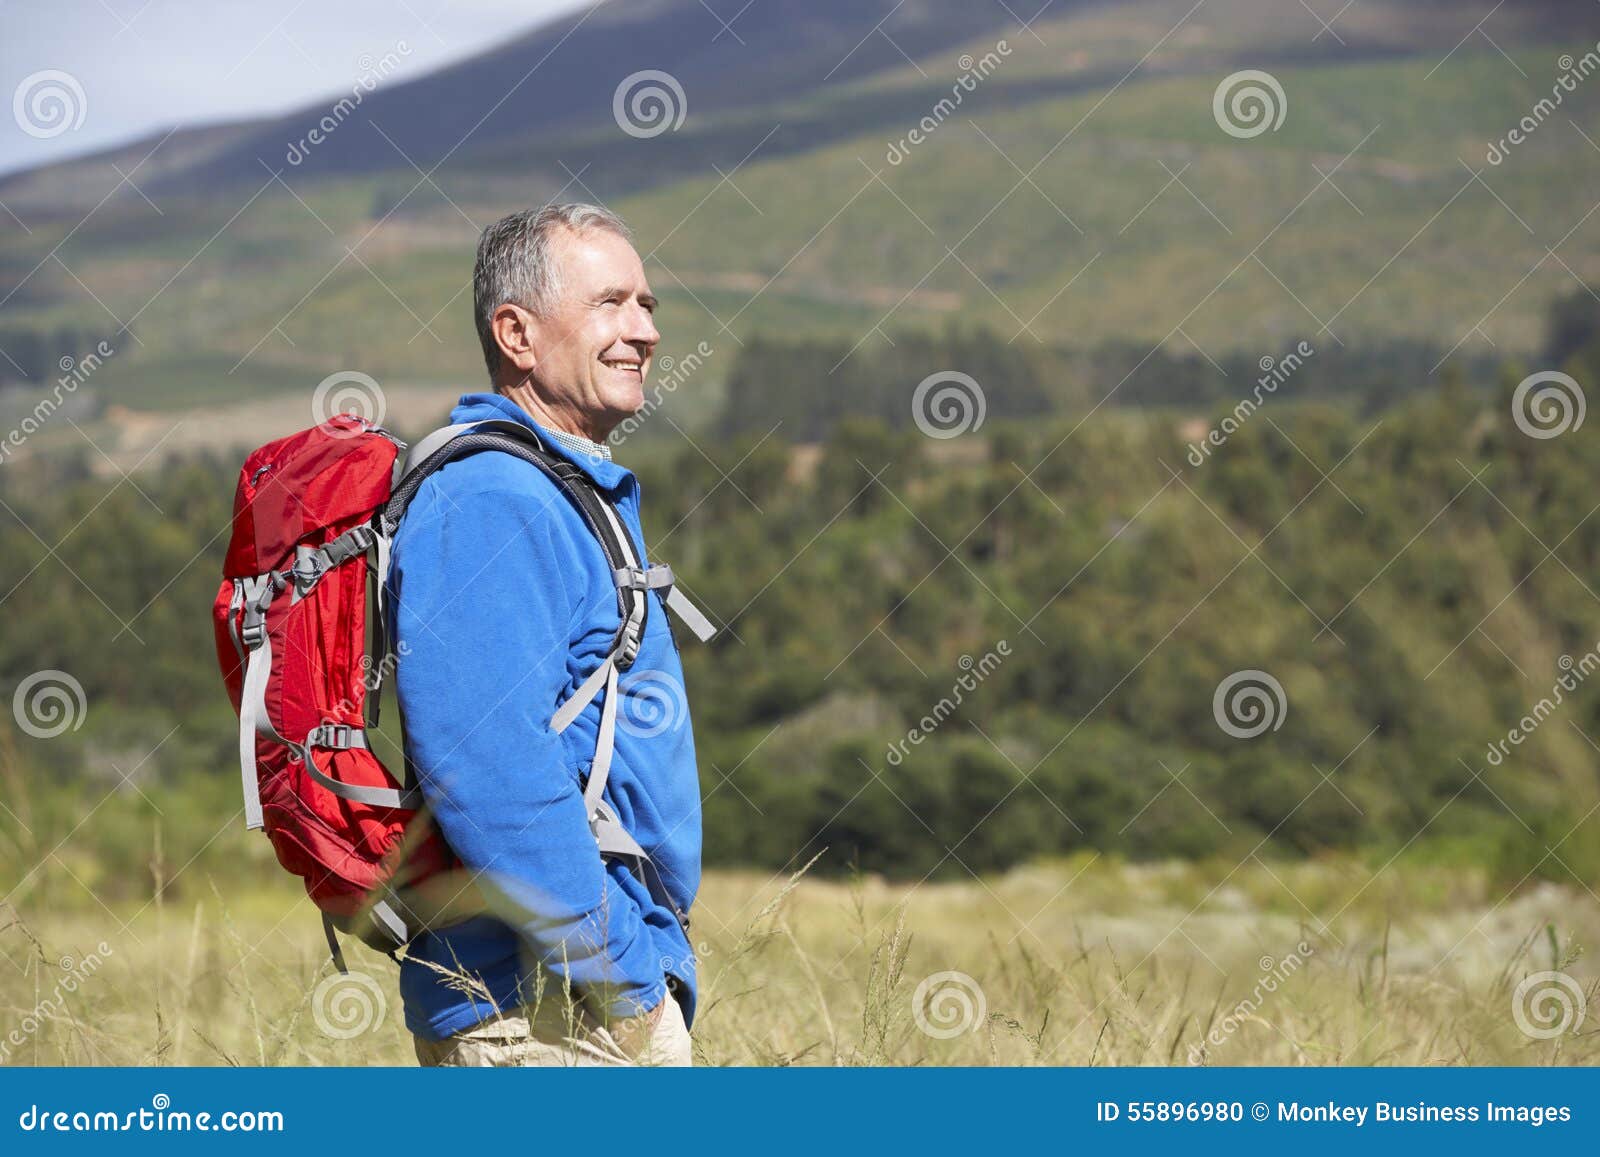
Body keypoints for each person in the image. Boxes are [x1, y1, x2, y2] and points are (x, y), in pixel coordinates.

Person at [388, 203, 701, 1066]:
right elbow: (486, 764)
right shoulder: (492, 499)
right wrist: (623, 980)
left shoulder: (555, 487)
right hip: (541, 1010)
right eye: (611, 303)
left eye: (648, 305)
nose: (643, 331)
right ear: (517, 334)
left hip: (575, 992)